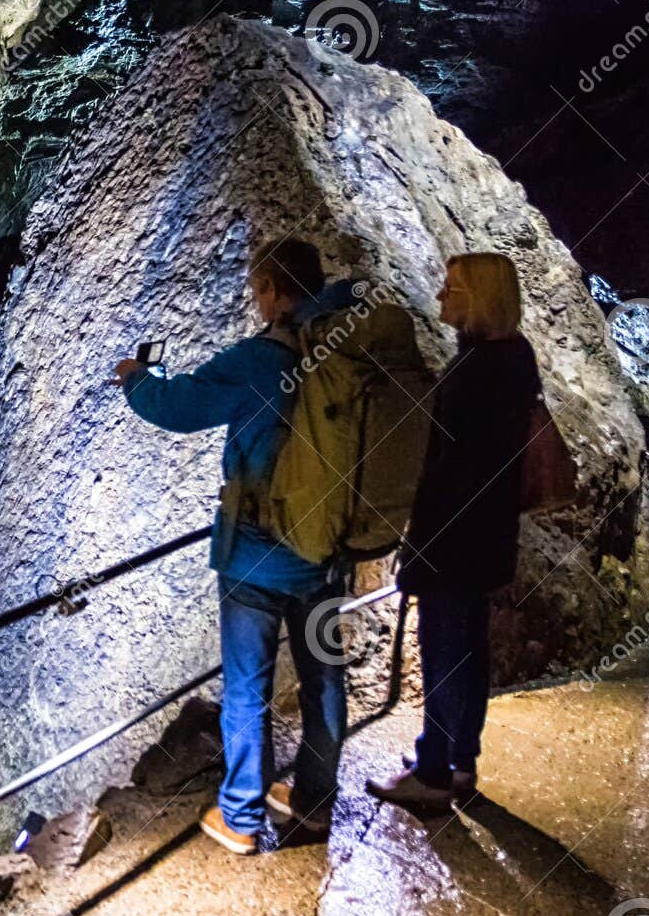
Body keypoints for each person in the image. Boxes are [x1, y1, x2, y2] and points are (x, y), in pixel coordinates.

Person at [113, 240, 349, 855]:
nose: (255, 297)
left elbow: (178, 407)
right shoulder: (346, 349)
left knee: (248, 686)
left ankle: (241, 815)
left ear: (270, 288)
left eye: (257, 286)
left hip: (257, 558)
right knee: (324, 677)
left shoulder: (258, 361)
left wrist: (138, 379)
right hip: (326, 553)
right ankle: (315, 802)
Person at [367, 252, 540, 810]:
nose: (441, 295)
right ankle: (461, 761)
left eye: (452, 288)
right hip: (486, 535)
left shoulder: (477, 369)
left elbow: (450, 469)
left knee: (444, 650)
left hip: (453, 539)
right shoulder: (514, 356)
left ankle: (433, 772)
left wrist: (418, 542)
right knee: (467, 650)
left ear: (480, 299)